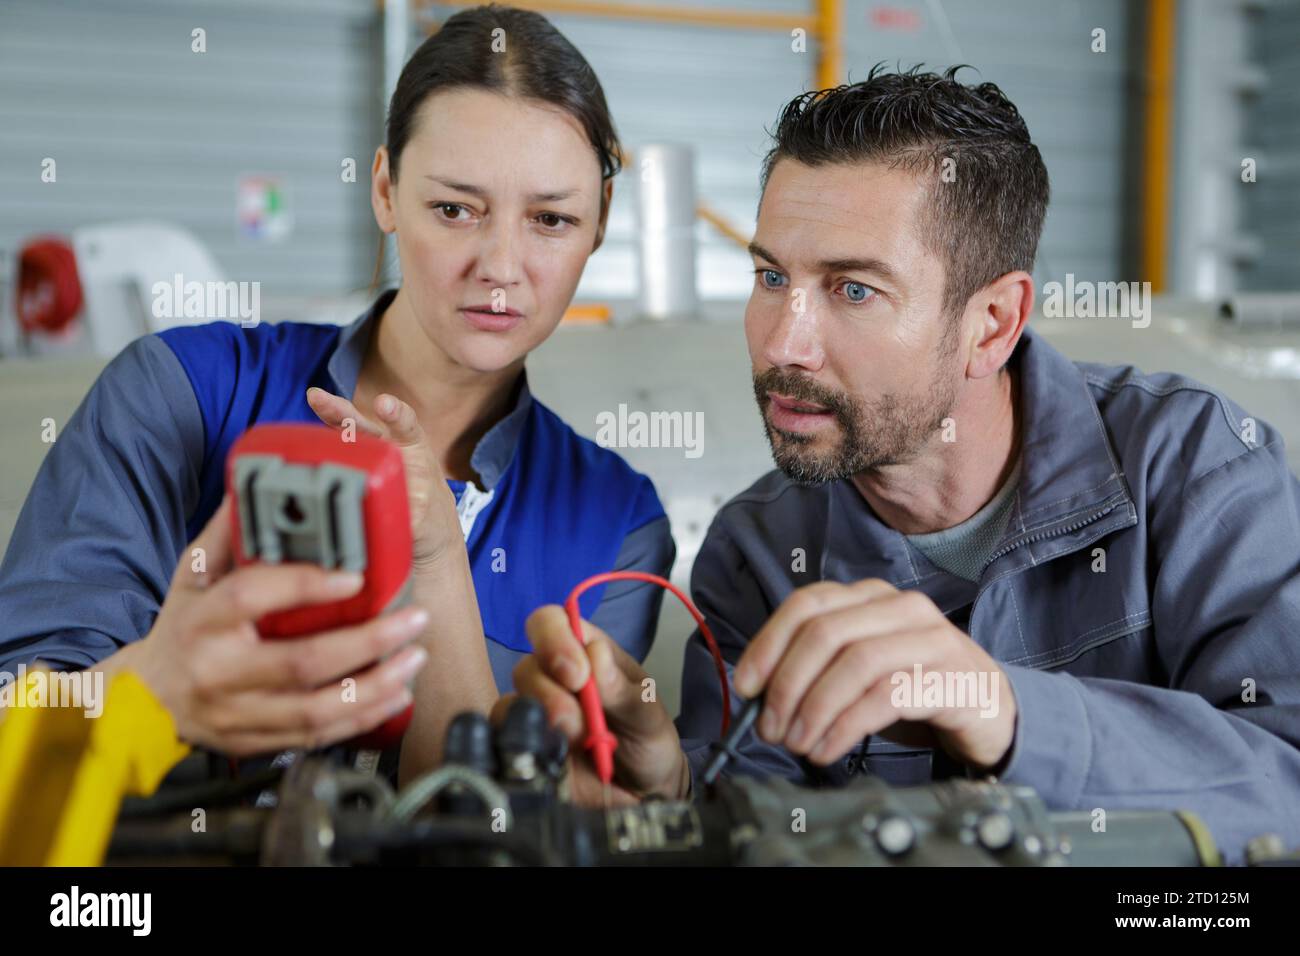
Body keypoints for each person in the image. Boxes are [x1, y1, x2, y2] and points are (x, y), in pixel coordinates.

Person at [510, 66, 1300, 863]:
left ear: (992, 325)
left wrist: (1004, 710)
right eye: (772, 277)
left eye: (852, 290)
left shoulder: (1195, 471)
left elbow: (1288, 784)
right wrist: (671, 788)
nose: (784, 343)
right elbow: (753, 826)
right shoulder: (761, 552)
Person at [0, 4, 674, 783]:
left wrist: (437, 562)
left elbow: (536, 814)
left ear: (600, 224)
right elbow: (22, 716)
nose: (500, 264)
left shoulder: (617, 526)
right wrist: (147, 689)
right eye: (455, 209)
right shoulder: (180, 394)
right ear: (385, 190)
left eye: (551, 219)